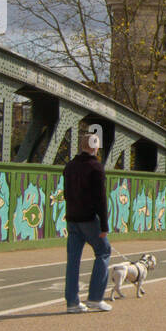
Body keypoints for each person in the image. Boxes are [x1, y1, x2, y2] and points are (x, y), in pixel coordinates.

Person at [63, 132, 113, 312]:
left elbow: (66, 193)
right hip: (89, 218)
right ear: (94, 146)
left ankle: (72, 302)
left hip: (72, 217)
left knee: (73, 260)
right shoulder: (95, 168)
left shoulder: (70, 166)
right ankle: (95, 297)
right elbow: (100, 199)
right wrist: (104, 225)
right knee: (103, 251)